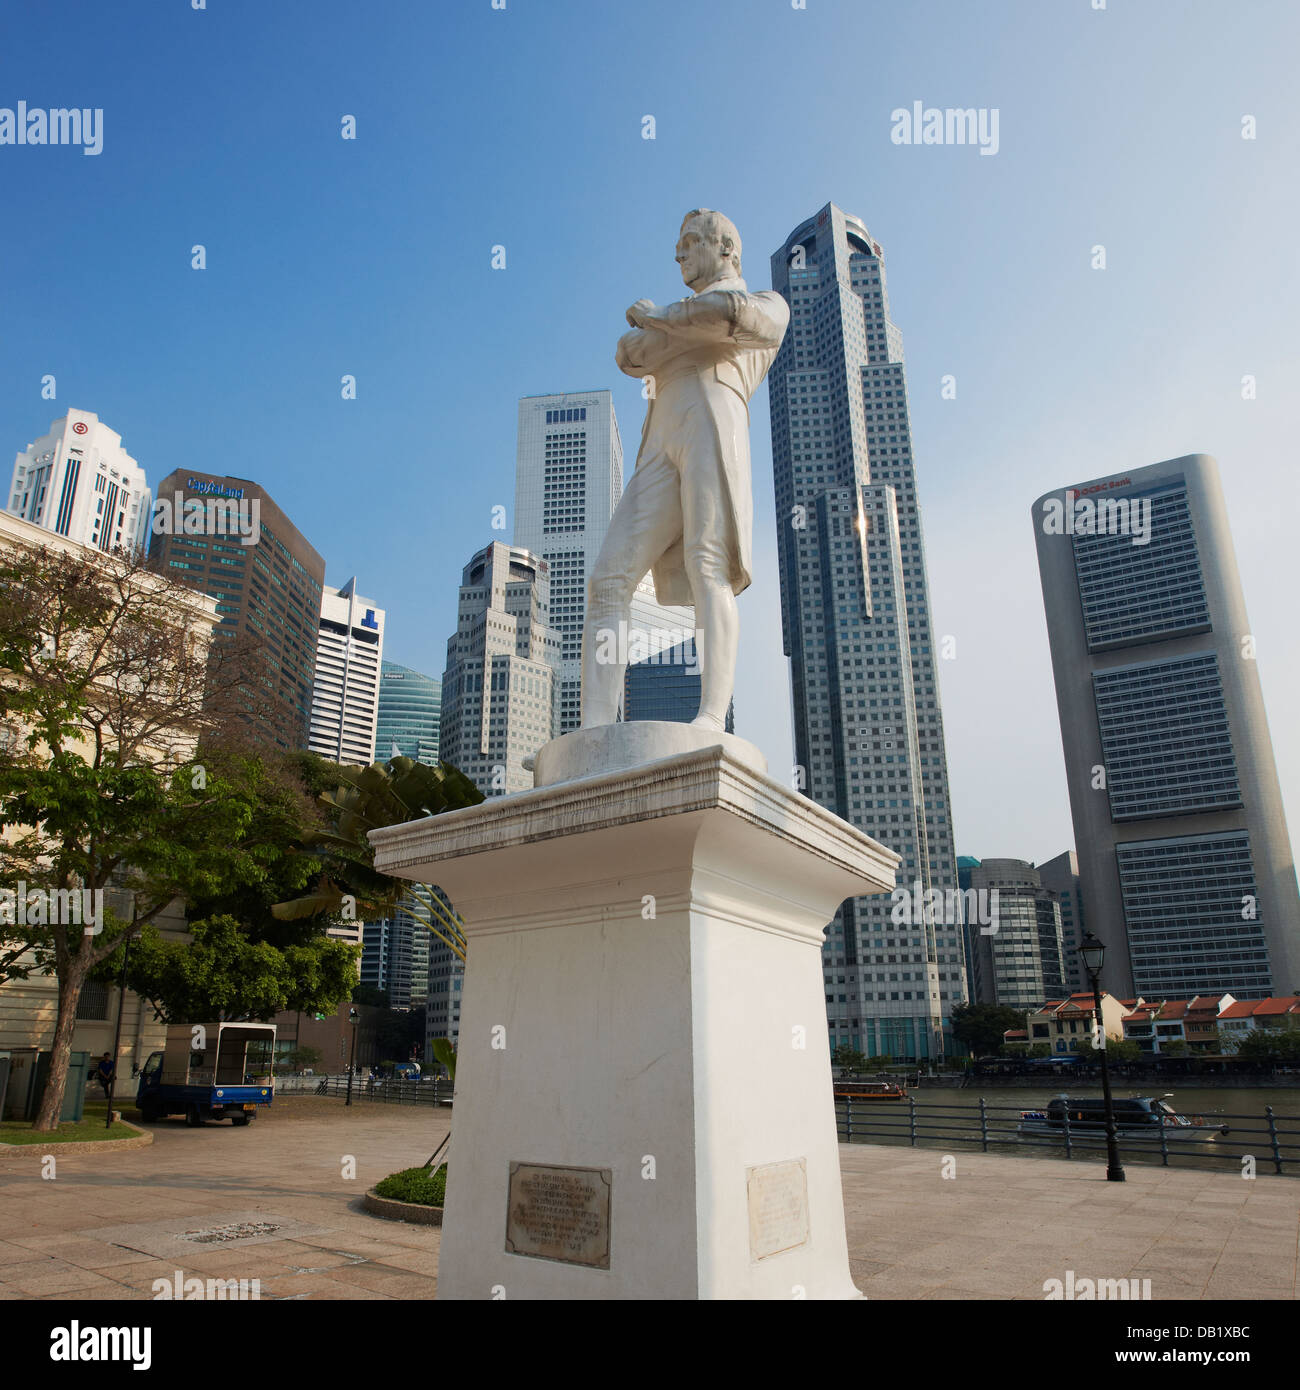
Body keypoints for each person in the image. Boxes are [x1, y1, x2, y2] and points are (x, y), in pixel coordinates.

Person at [581, 209, 789, 730]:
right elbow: (629, 355)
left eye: (691, 242)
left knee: (709, 564)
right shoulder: (684, 314)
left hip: (713, 417)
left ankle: (712, 715)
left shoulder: (768, 303)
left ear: (726, 251)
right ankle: (598, 725)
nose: (679, 253)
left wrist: (660, 320)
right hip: (661, 438)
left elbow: (731, 316)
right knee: (608, 578)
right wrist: (679, 327)